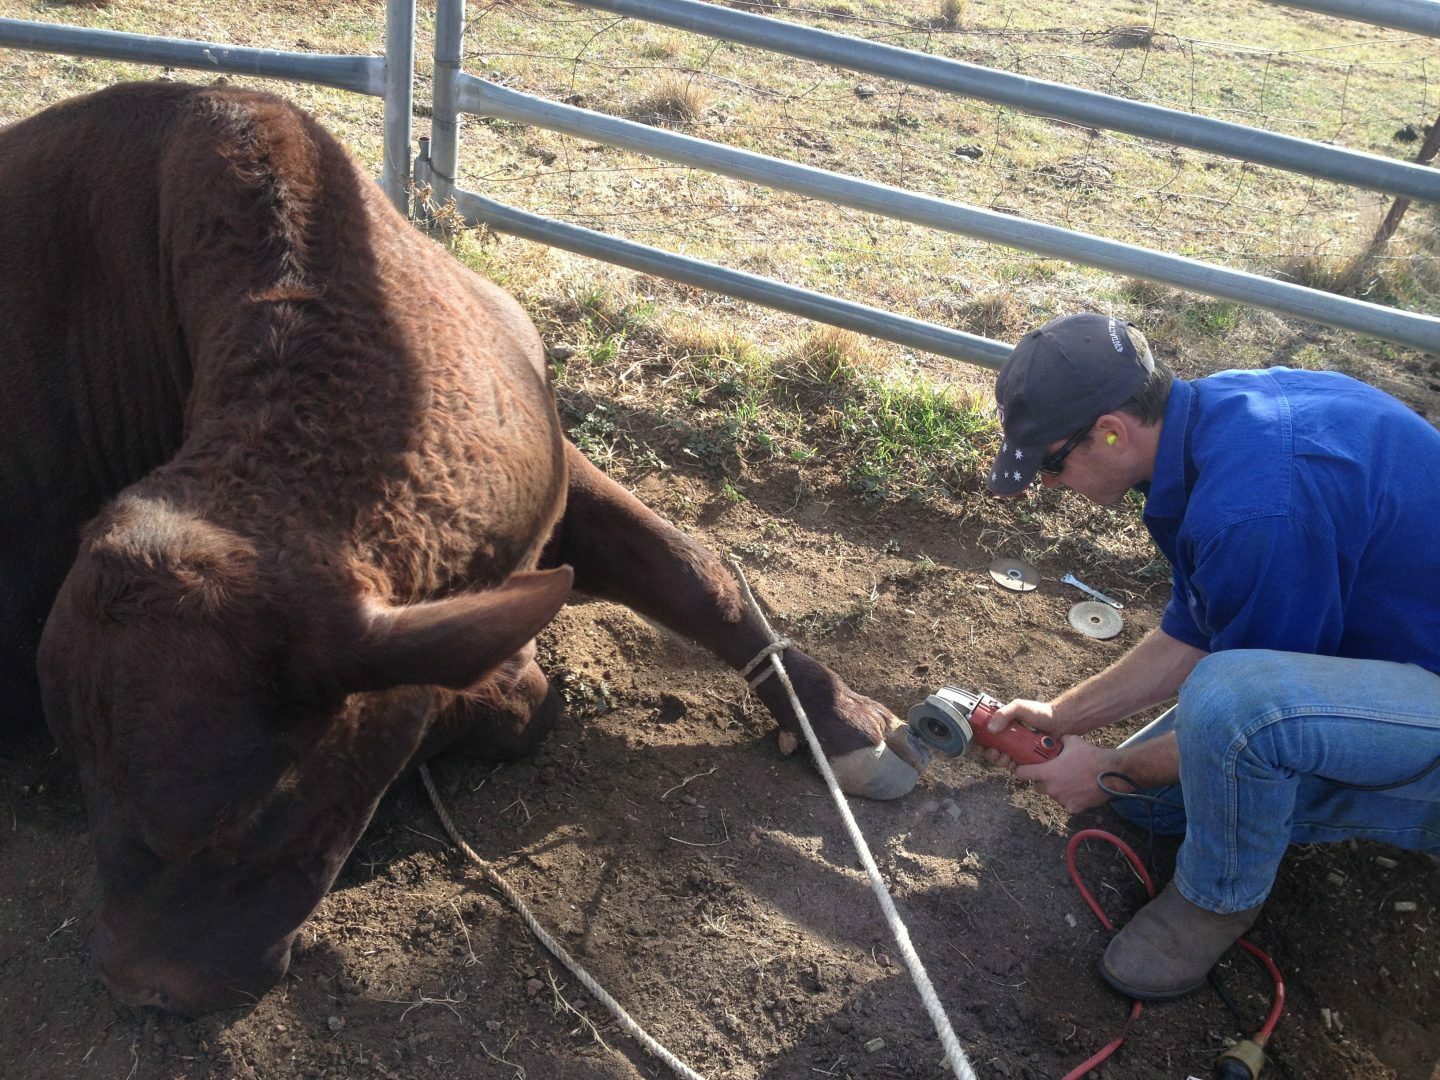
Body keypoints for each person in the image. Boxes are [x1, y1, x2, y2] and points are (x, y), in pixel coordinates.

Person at [982, 311, 1440, 1001]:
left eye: (1052, 463)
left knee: (1225, 715)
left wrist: (1108, 768)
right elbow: (1195, 630)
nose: (1049, 485)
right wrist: (1062, 714)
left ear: (1112, 429)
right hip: (1397, 650)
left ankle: (1214, 903)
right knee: (1155, 805)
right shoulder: (1206, 429)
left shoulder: (1255, 507)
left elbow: (1246, 702)